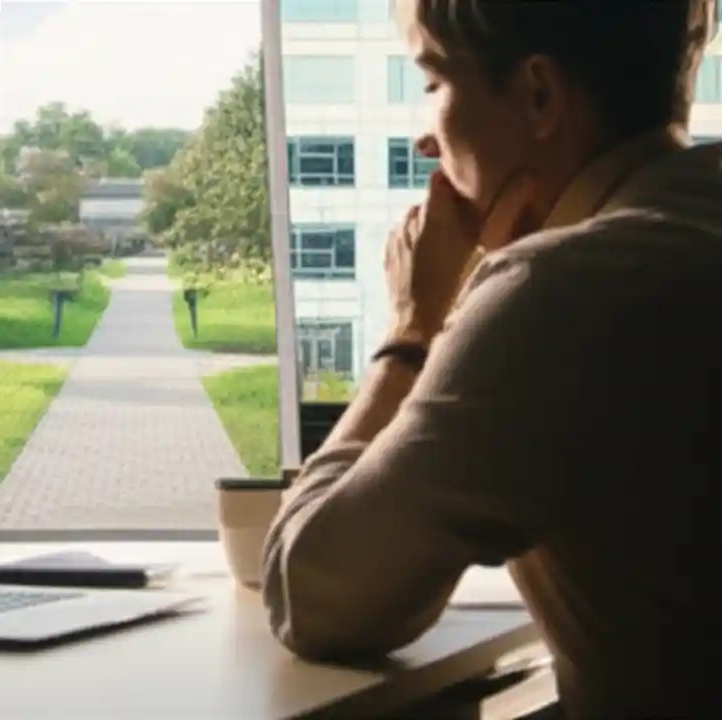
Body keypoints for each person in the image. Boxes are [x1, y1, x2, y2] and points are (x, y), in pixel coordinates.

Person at [261, 1, 721, 717]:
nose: (425, 140)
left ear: (539, 95)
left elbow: (312, 593)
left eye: (435, 84)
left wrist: (414, 328)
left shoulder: (563, 294)